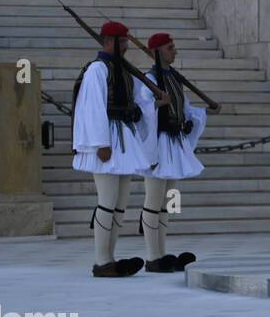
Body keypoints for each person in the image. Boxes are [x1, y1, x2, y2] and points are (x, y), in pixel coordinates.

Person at [71, 20, 165, 277]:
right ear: (109, 42)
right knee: (107, 200)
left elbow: (135, 104)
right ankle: (102, 260)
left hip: (124, 137)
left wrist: (154, 105)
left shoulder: (122, 70)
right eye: (123, 42)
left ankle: (111, 257)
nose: (126, 46)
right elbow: (92, 108)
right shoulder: (97, 70)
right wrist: (100, 143)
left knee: (121, 201)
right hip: (107, 140)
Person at [135, 32, 215, 273]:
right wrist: (157, 103)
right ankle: (152, 256)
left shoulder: (173, 78)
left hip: (173, 143)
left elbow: (185, 106)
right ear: (158, 51)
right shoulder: (149, 79)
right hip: (157, 144)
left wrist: (194, 118)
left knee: (168, 201)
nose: (175, 51)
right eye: (170, 48)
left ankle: (162, 252)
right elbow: (141, 107)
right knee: (153, 198)